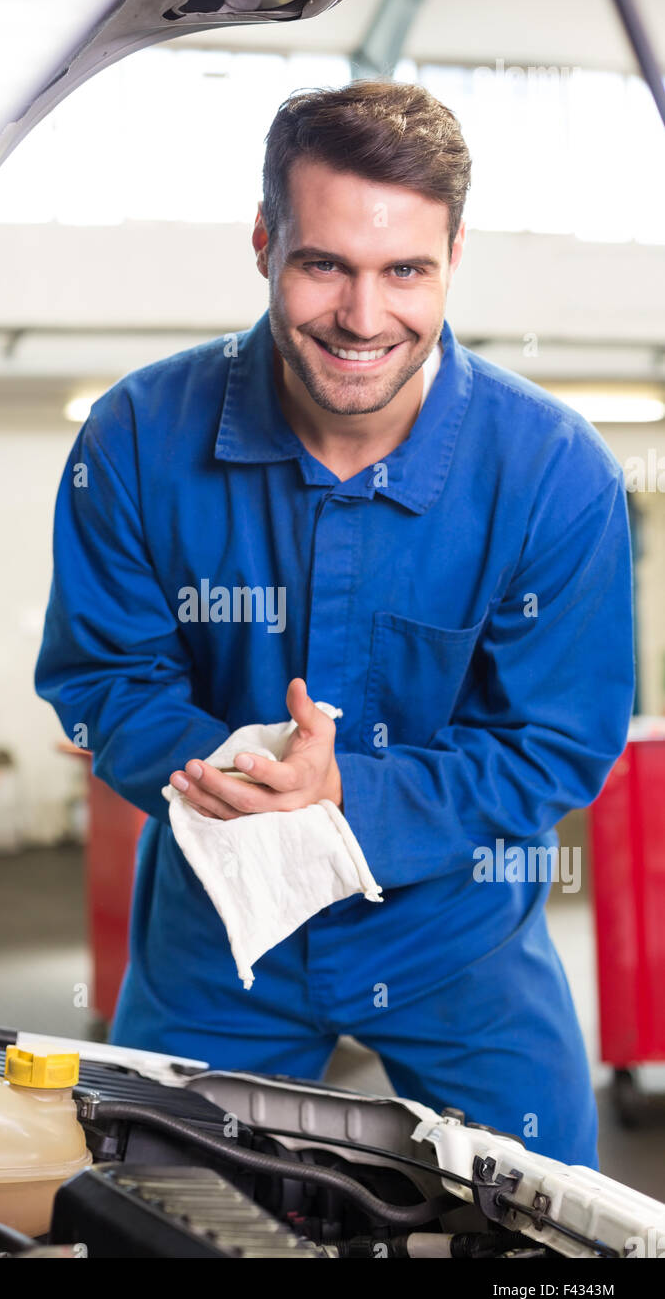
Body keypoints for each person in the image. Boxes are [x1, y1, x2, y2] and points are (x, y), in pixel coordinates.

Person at [35, 81, 634, 1168]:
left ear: (454, 253)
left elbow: (554, 742)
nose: (363, 319)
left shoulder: (551, 475)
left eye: (404, 269)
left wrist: (347, 792)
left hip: (455, 931)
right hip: (218, 934)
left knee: (556, 1237)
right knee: (155, 1210)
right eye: (323, 265)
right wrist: (240, 770)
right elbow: (104, 675)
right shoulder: (133, 436)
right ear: (264, 242)